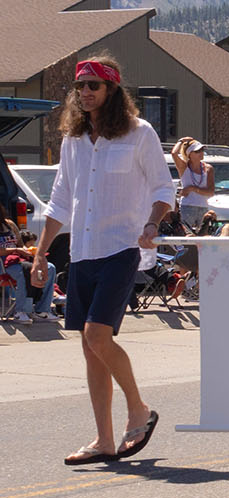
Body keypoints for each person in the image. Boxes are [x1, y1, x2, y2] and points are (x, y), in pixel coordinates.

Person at [32, 54, 173, 465]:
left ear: (112, 91)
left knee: (97, 336)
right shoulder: (73, 140)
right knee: (90, 347)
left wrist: (152, 223)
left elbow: (164, 189)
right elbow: (60, 201)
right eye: (80, 86)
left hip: (121, 248)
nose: (86, 92)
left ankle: (139, 410)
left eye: (94, 85)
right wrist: (40, 254)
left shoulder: (138, 133)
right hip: (83, 253)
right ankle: (104, 441)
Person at [3, 219, 57, 323]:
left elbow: (20, 243)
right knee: (24, 272)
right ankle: (21, 311)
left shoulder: (9, 224)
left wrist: (29, 250)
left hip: (18, 260)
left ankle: (42, 310)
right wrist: (15, 250)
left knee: (50, 267)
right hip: (4, 264)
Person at [170, 137, 215, 233]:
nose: (201, 153)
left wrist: (192, 188)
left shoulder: (208, 168)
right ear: (189, 154)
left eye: (202, 150)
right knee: (187, 235)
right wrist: (181, 141)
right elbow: (174, 153)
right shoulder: (184, 167)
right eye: (197, 151)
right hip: (187, 206)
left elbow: (210, 192)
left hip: (203, 206)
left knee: (204, 235)